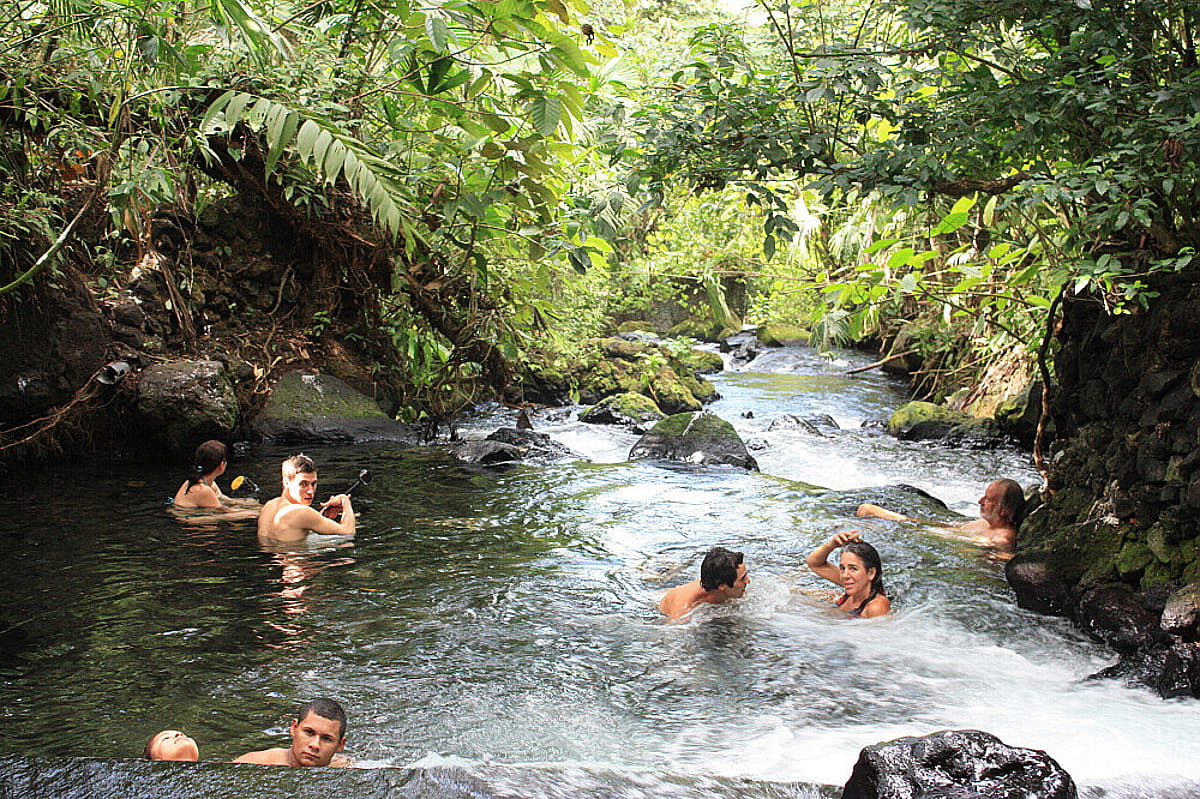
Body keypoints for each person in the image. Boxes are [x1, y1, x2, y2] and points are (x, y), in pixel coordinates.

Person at [856, 478, 1026, 554]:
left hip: (930, 542)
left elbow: (1002, 560)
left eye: (988, 500)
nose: (979, 500)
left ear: (1004, 510)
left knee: (870, 514)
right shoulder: (986, 523)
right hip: (930, 533)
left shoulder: (1002, 539)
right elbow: (952, 527)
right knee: (867, 510)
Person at [257, 454, 355, 543]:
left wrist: (321, 516)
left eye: (313, 484)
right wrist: (345, 501)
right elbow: (348, 533)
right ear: (286, 482)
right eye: (303, 484)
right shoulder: (301, 512)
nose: (310, 491)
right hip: (298, 561)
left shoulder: (269, 505)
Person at [233, 698, 349, 767]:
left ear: (340, 745)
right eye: (309, 732)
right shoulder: (251, 764)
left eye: (326, 739)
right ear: (294, 728)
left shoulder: (345, 770)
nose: (314, 745)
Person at [806, 530, 890, 618]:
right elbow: (815, 564)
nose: (845, 575)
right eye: (842, 568)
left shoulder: (876, 607)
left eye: (853, 569)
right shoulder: (856, 585)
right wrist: (830, 546)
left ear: (871, 573)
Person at [659, 546, 750, 619]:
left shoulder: (729, 587)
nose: (748, 581)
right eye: (742, 579)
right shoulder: (683, 609)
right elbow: (672, 633)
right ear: (722, 585)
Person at [173, 440, 231, 509]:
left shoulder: (203, 482)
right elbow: (225, 512)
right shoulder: (203, 490)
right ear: (221, 465)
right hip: (189, 518)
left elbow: (228, 500)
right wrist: (247, 513)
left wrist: (246, 502)